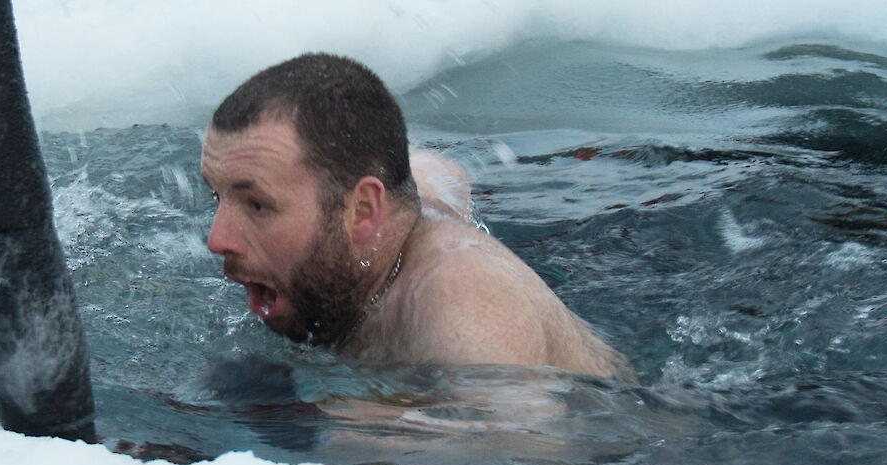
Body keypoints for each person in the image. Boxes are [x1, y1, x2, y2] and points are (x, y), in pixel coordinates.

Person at [201, 53, 629, 379]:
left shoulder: (468, 314)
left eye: (257, 205)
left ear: (364, 211)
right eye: (216, 195)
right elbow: (437, 173)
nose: (217, 239)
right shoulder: (400, 211)